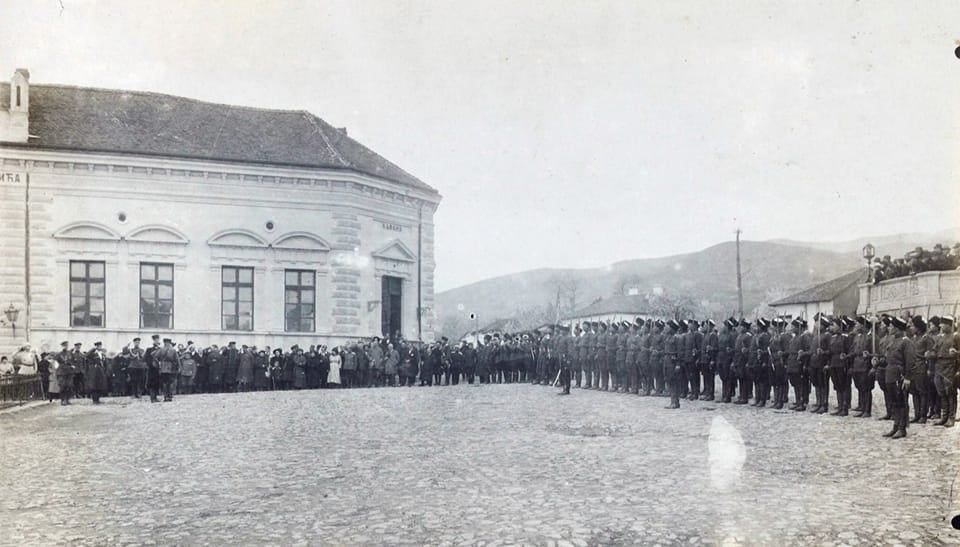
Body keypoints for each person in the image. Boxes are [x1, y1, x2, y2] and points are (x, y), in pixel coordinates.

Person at [880, 316, 915, 438]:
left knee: (901, 401)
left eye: (891, 326)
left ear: (898, 328)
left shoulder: (906, 342)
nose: (889, 328)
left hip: (899, 375)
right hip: (890, 373)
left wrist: (907, 377)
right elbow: (889, 358)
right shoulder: (893, 340)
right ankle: (895, 426)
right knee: (894, 401)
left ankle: (902, 428)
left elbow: (910, 361)